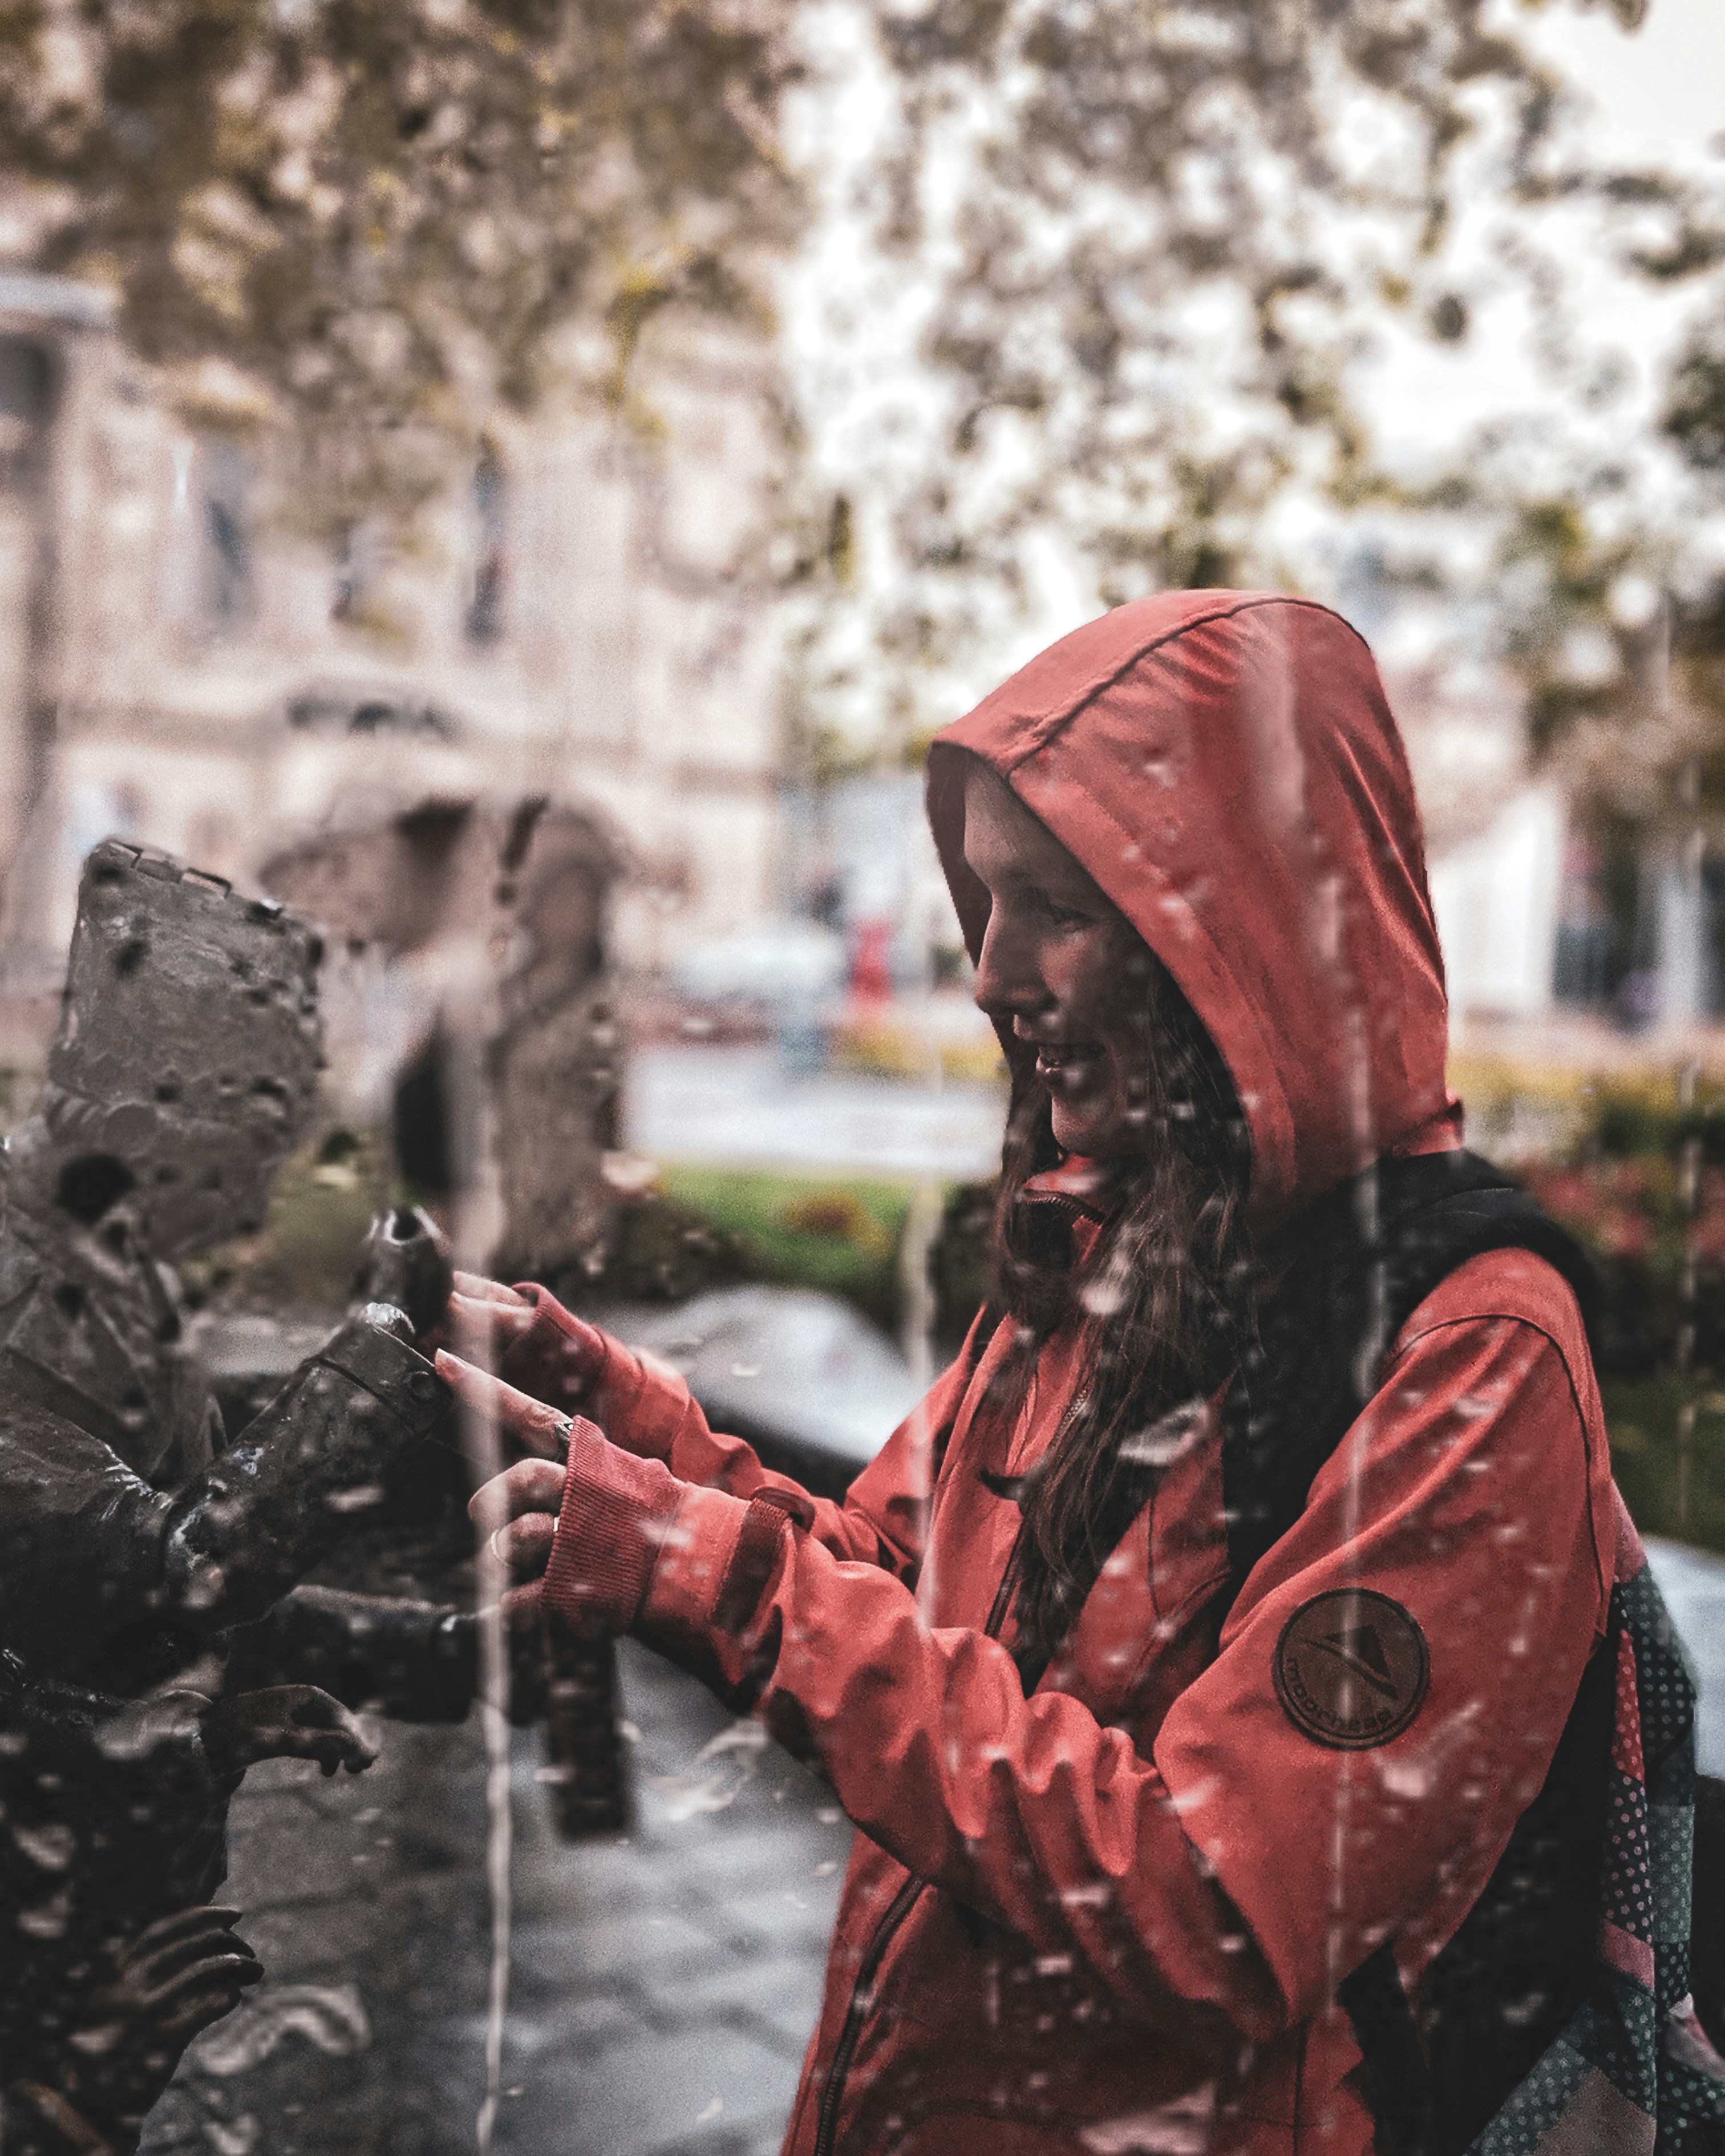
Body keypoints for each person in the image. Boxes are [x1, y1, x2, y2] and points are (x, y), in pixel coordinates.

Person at [438, 592, 1643, 2154]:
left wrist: (719, 1577)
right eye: (986, 902)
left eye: (1058, 905)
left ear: (1245, 926)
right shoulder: (1115, 1242)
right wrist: (635, 1427)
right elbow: (897, 1577)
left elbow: (1217, 1897)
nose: (993, 972)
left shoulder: (1472, 1361)